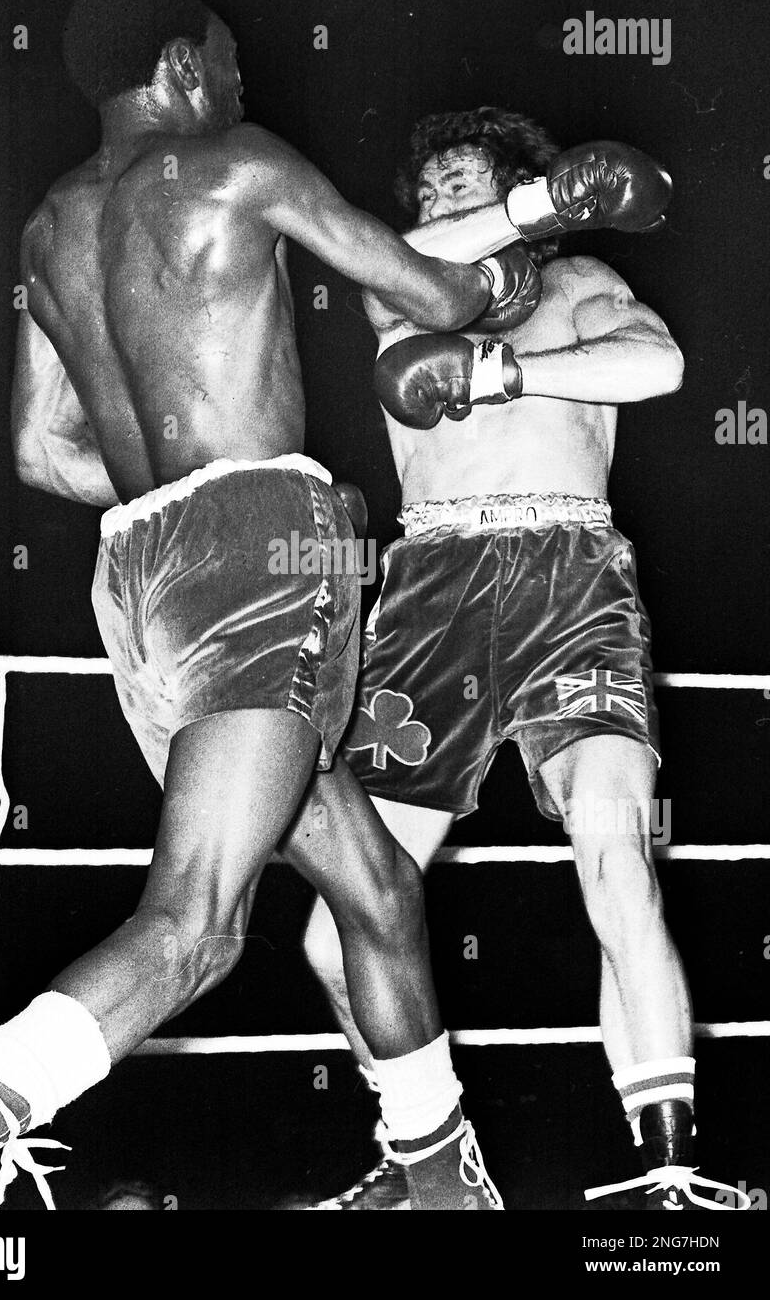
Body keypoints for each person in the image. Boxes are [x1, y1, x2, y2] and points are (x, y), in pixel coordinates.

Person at [0, 0, 674, 1209]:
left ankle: (433, 1177)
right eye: (233, 64)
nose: (245, 84)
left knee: (376, 886)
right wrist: (539, 217)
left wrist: (181, 496)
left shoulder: (48, 223)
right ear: (188, 71)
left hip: (137, 580)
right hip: (257, 555)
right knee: (198, 921)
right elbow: (446, 295)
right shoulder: (238, 159)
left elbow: (41, 453)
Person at [302, 106, 749, 1212]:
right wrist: (508, 223)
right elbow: (398, 261)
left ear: (521, 192)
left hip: (570, 580)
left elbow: (659, 363)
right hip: (429, 593)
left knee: (615, 855)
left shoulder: (579, 280)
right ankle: (421, 1154)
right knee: (332, 924)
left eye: (465, 181)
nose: (440, 201)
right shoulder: (397, 284)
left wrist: (505, 372)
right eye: (431, 188)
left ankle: (668, 1173)